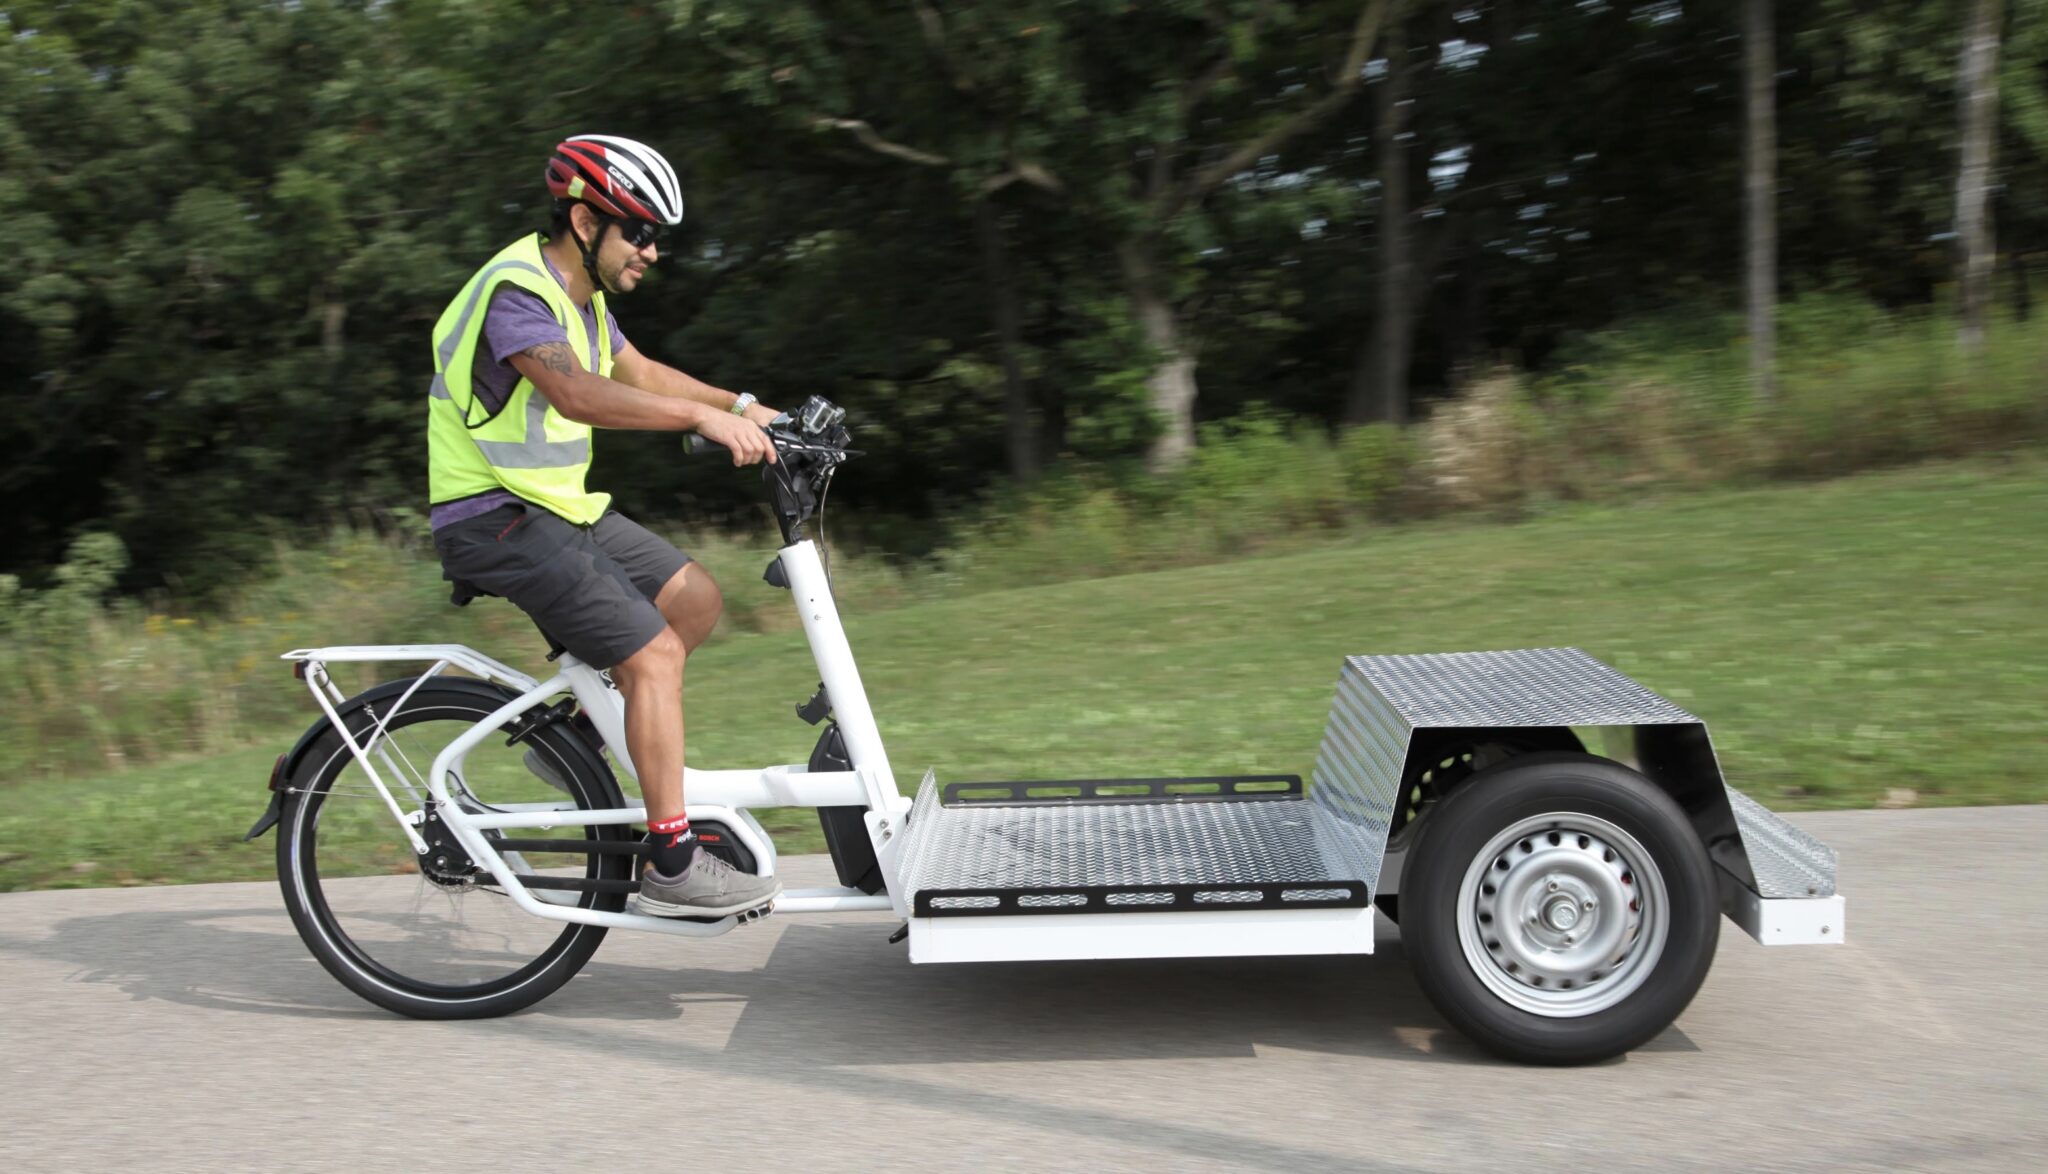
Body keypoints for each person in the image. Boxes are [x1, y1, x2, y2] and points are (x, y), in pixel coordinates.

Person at [425, 134, 781, 918]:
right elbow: (577, 395)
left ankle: (584, 742)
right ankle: (673, 862)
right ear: (587, 222)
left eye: (658, 236)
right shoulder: (517, 291)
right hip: (494, 515)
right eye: (642, 231)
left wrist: (746, 409)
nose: (653, 251)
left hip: (556, 508)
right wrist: (699, 419)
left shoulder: (581, 300)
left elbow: (641, 372)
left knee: (692, 601)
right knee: (653, 657)